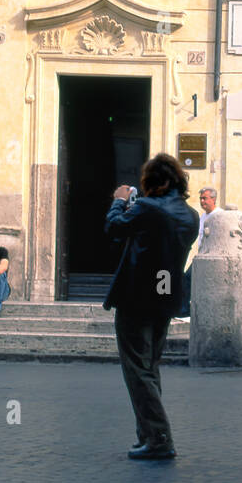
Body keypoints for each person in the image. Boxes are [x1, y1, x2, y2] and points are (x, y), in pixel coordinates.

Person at [103, 153, 199, 460]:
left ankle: (158, 437)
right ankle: (148, 434)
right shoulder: (190, 215)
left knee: (137, 368)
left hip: (136, 296)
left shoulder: (146, 208)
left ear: (154, 182)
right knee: (150, 366)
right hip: (166, 295)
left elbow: (114, 229)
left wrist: (120, 200)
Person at [176, 186, 218, 321]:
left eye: (205, 198)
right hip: (201, 256)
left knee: (188, 280)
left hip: (211, 257)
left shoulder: (218, 216)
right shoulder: (202, 216)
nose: (202, 201)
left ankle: (185, 310)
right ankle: (184, 310)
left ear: (213, 199)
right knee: (186, 279)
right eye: (200, 198)